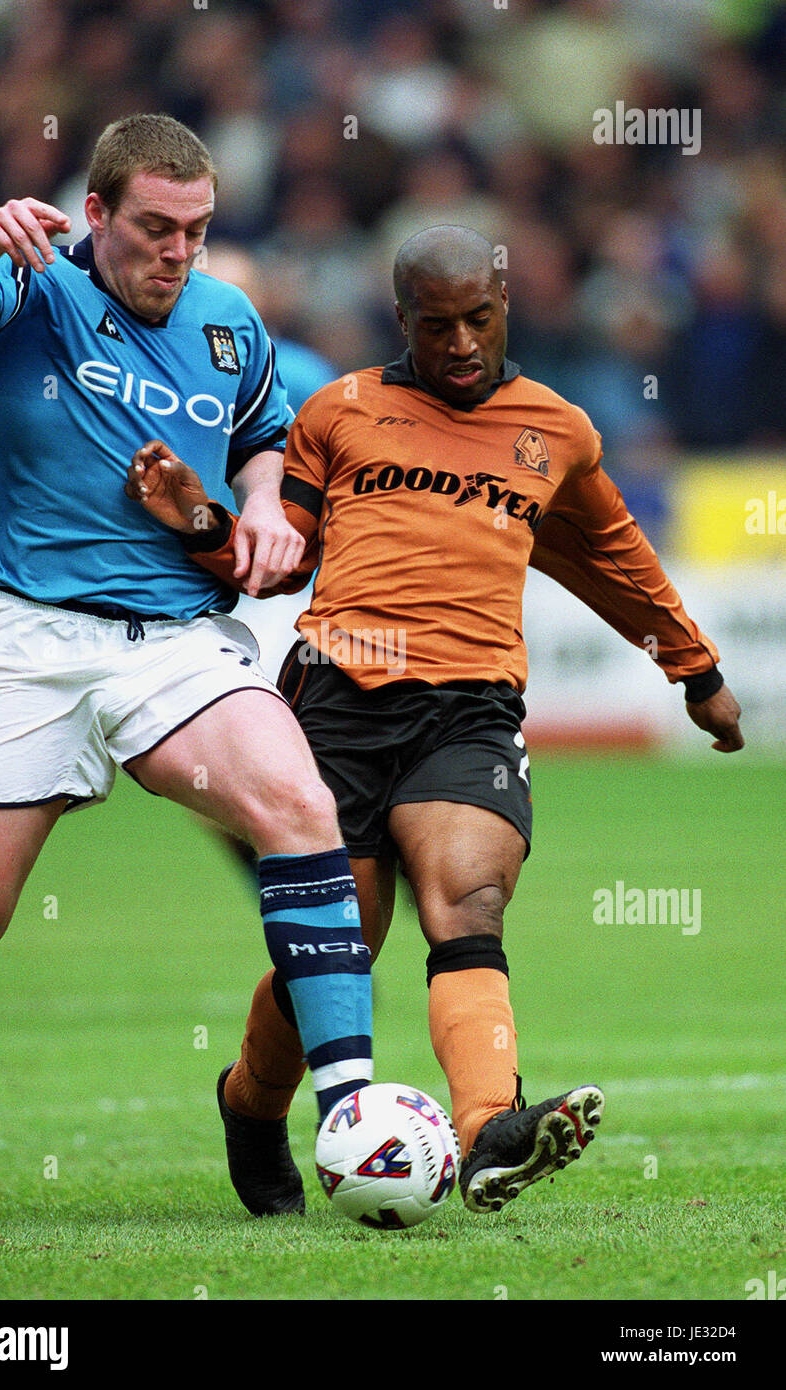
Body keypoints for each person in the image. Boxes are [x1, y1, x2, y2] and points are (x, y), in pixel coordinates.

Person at [126, 224, 744, 1219]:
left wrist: (695, 669)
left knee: (468, 903)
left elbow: (614, 555)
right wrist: (200, 521)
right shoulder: (339, 410)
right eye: (435, 324)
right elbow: (278, 555)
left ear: (505, 304)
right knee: (345, 940)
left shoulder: (558, 430)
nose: (459, 342)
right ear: (400, 317)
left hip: (472, 706)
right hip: (336, 695)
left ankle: (488, 1132)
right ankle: (250, 1104)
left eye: (478, 320)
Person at [0, 114, 376, 1216]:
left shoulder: (227, 321)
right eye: (155, 229)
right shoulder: (24, 286)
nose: (177, 254)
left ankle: (351, 1116)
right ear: (96, 218)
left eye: (197, 231)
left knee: (298, 803)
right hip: (28, 639)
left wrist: (263, 505)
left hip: (175, 638)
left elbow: (268, 433)